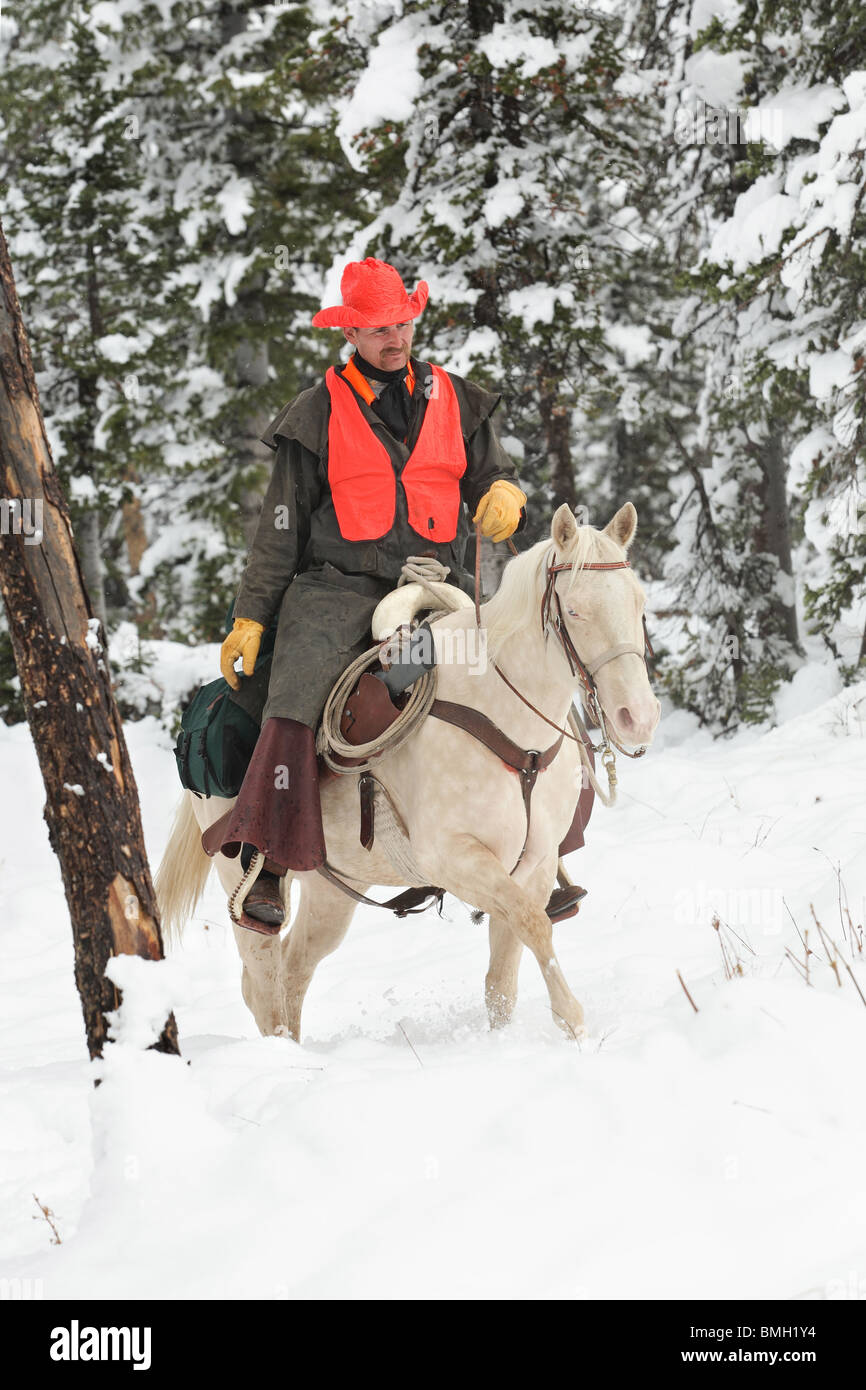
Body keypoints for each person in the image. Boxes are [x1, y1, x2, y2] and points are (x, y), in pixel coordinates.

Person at [202, 257, 527, 930]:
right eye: (380, 329)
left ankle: (542, 848)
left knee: (515, 672)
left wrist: (502, 494)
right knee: (296, 695)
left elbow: (493, 474)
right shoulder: (316, 412)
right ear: (351, 333)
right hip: (335, 593)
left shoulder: (456, 398)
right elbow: (279, 529)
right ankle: (269, 857)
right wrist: (251, 618)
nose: (396, 338)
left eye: (404, 324)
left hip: (438, 589)